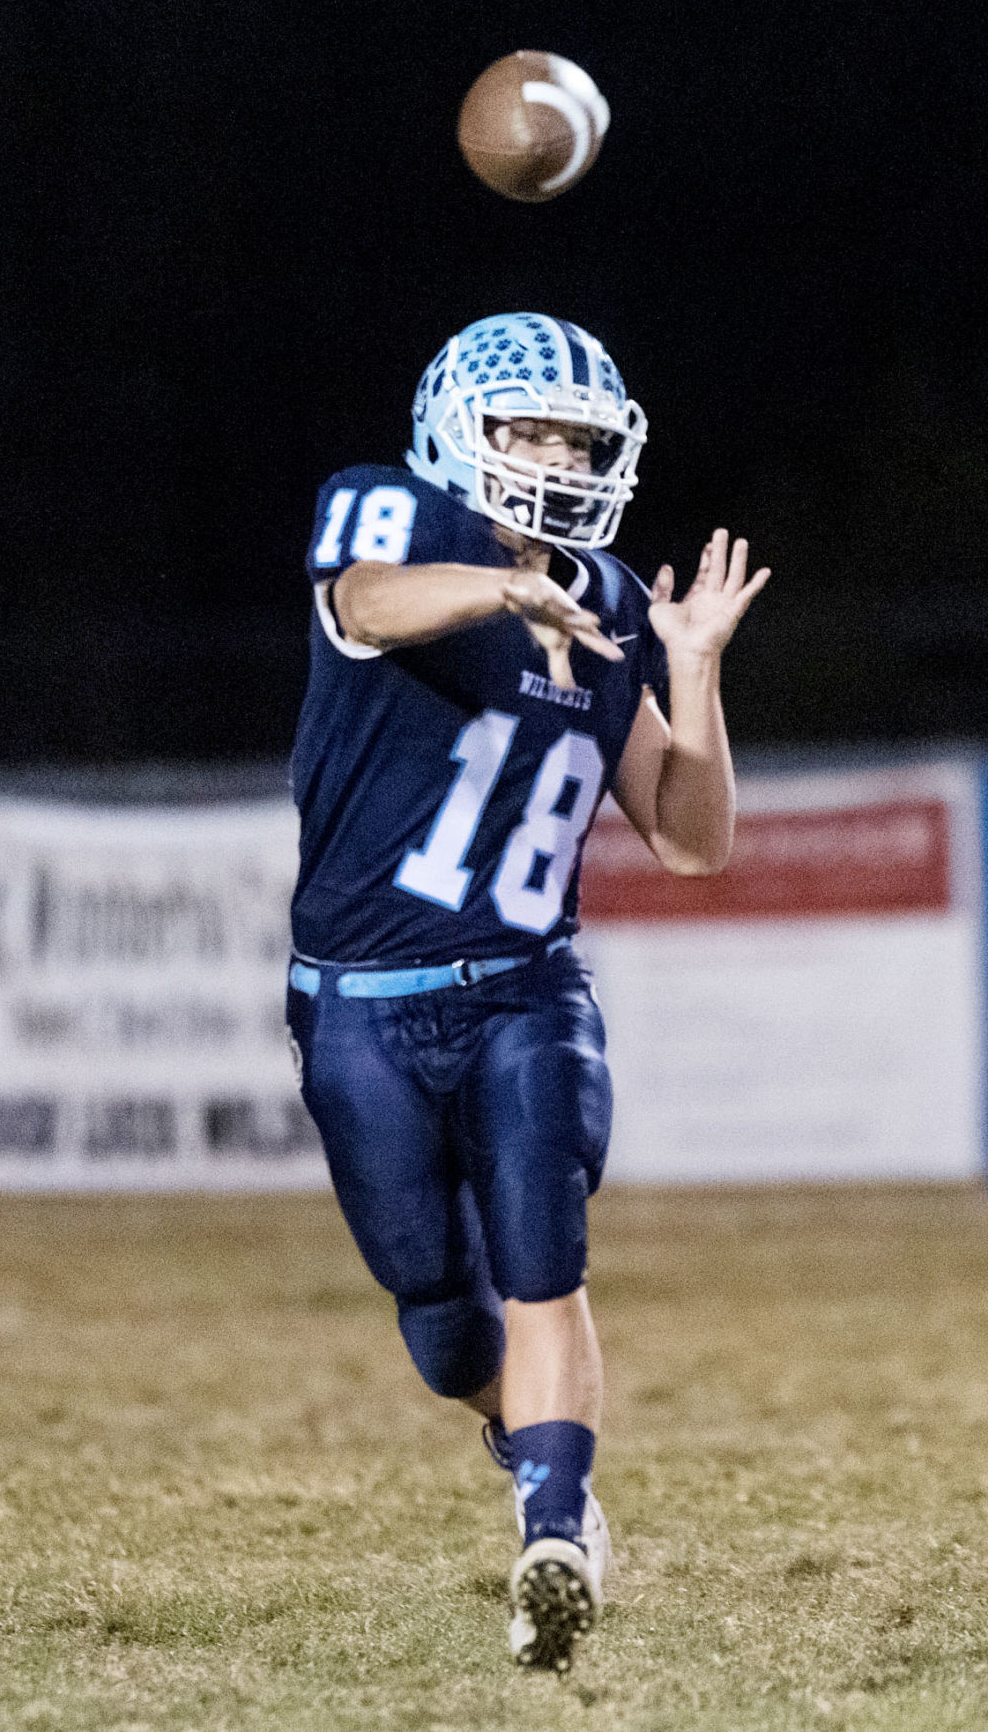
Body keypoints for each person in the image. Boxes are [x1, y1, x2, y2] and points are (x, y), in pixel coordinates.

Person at [286, 313, 768, 1671]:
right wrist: (500, 591)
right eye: (531, 432)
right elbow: (366, 605)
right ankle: (535, 1458)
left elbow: (689, 836)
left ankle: (554, 1529)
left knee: (545, 1264)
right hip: (360, 1003)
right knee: (444, 1326)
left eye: (579, 440)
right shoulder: (384, 514)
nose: (558, 460)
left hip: (525, 992)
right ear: (459, 430)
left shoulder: (606, 597)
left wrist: (695, 671)